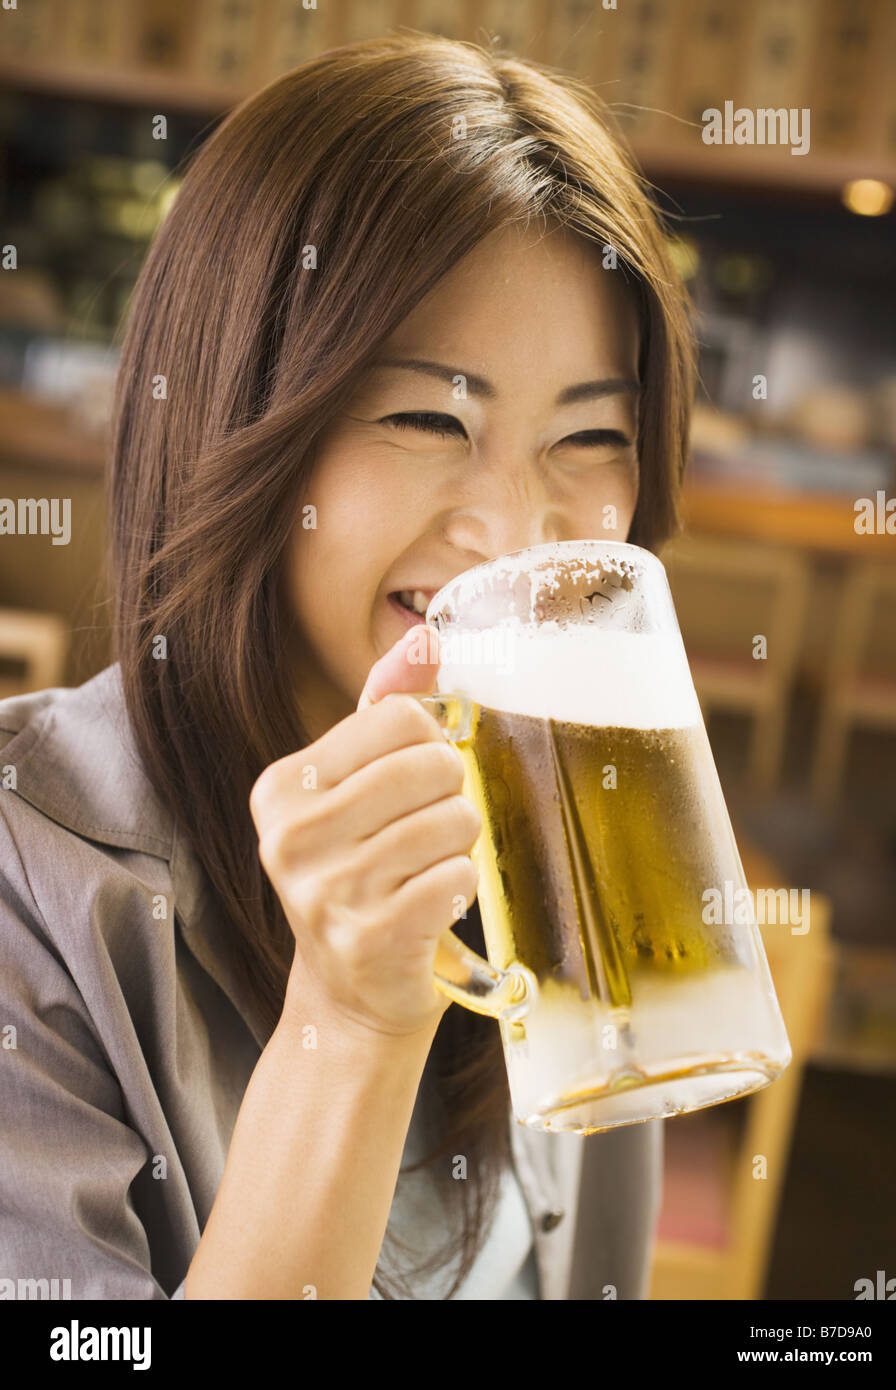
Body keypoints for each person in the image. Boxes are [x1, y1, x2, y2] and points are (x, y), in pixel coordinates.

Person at [0, 33, 695, 1300]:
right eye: (429, 418)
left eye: (590, 435)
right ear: (234, 416)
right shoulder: (29, 887)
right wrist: (350, 1023)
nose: (516, 532)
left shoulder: (571, 823)